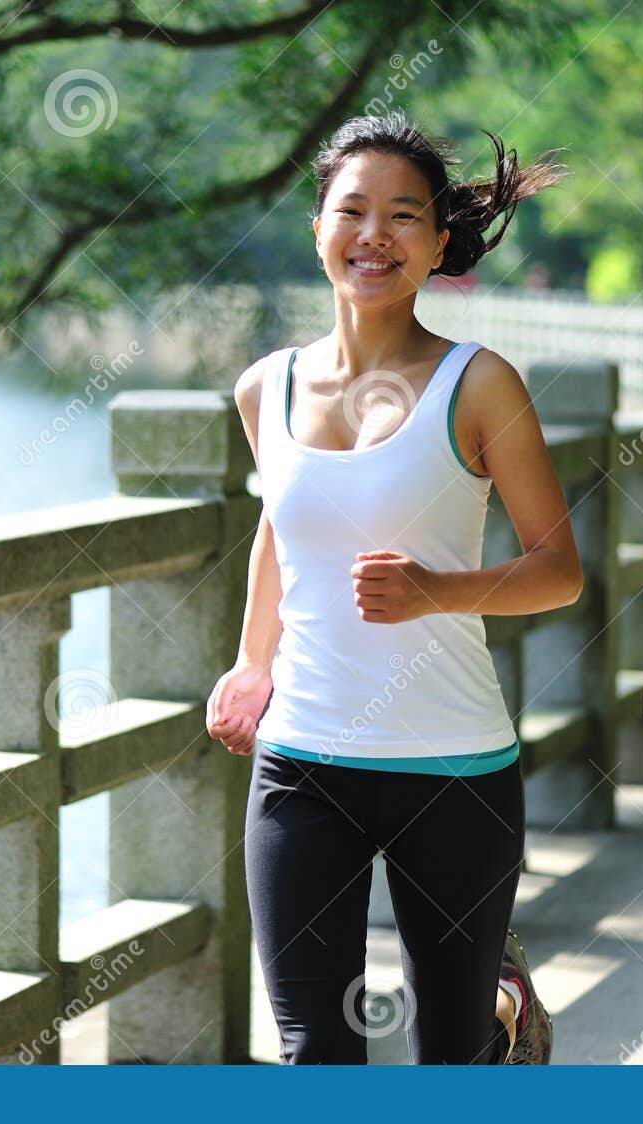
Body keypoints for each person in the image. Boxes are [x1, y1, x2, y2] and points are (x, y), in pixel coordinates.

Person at [206, 111, 578, 1065]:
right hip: (304, 762)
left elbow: (558, 570)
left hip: (454, 765)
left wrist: (436, 591)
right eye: (353, 211)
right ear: (318, 226)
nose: (375, 236)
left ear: (439, 243)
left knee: (446, 1053)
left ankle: (499, 1013)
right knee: (313, 1049)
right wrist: (253, 663)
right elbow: (281, 534)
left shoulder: (480, 384)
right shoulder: (267, 389)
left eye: (404, 216)